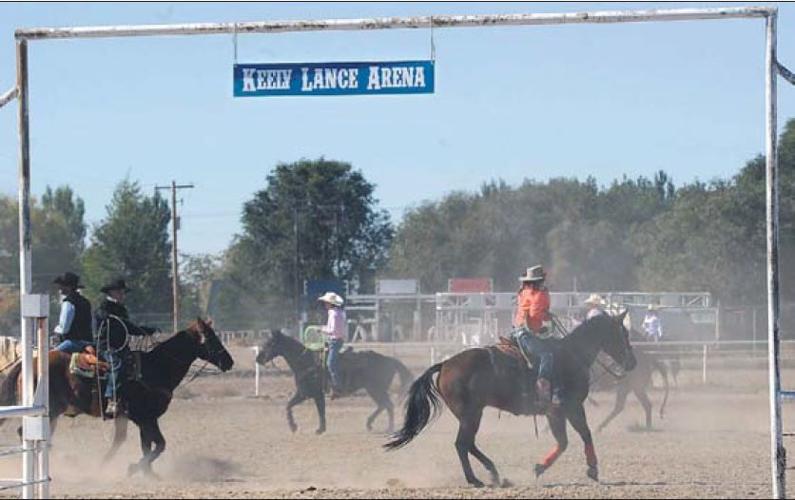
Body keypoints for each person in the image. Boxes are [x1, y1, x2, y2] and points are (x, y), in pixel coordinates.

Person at [94, 278, 157, 418]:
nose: (122, 295)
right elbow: (116, 322)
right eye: (119, 292)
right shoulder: (103, 308)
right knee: (117, 365)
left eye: (123, 292)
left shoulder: (121, 309)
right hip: (107, 346)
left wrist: (144, 330)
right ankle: (111, 399)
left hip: (121, 345)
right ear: (111, 292)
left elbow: (127, 325)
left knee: (138, 362)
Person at [512, 265, 558, 409]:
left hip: (518, 329)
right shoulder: (539, 294)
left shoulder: (524, 291)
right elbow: (535, 314)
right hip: (526, 333)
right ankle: (542, 387)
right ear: (540, 280)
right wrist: (547, 316)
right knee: (546, 355)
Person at [52, 272, 94, 353]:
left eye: (62, 285)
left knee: (48, 359)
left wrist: (56, 329)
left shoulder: (68, 303)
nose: (59, 287)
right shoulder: (86, 302)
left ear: (69, 287)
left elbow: (64, 329)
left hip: (73, 343)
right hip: (89, 342)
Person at [318, 291, 346, 398]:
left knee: (330, 363)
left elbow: (332, 330)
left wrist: (321, 329)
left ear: (330, 303)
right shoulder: (337, 312)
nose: (325, 304)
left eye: (326, 302)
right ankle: (328, 385)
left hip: (335, 341)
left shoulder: (334, 314)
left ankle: (338, 387)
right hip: (335, 341)